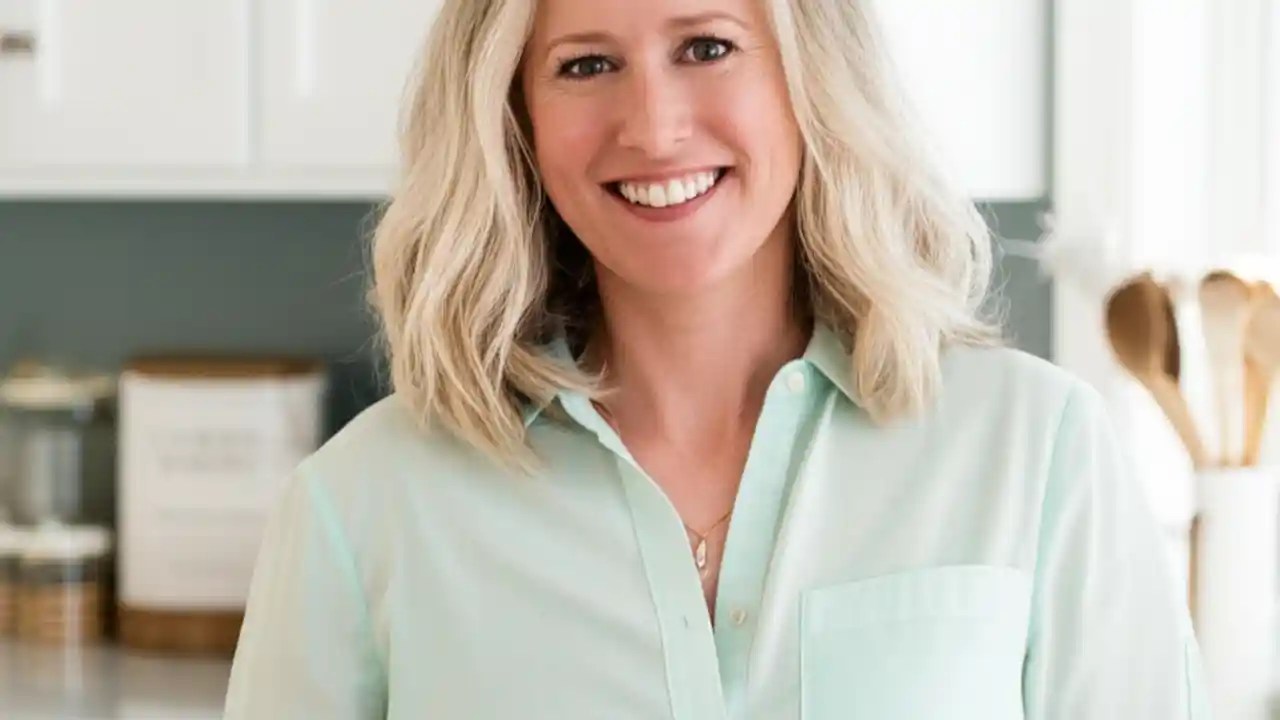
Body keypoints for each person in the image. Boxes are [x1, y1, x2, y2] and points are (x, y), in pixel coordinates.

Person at [223, 0, 1211, 717]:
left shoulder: (1036, 452)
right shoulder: (361, 506)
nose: (652, 126)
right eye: (583, 64)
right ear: (512, 118)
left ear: (807, 77)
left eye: (706, 45)